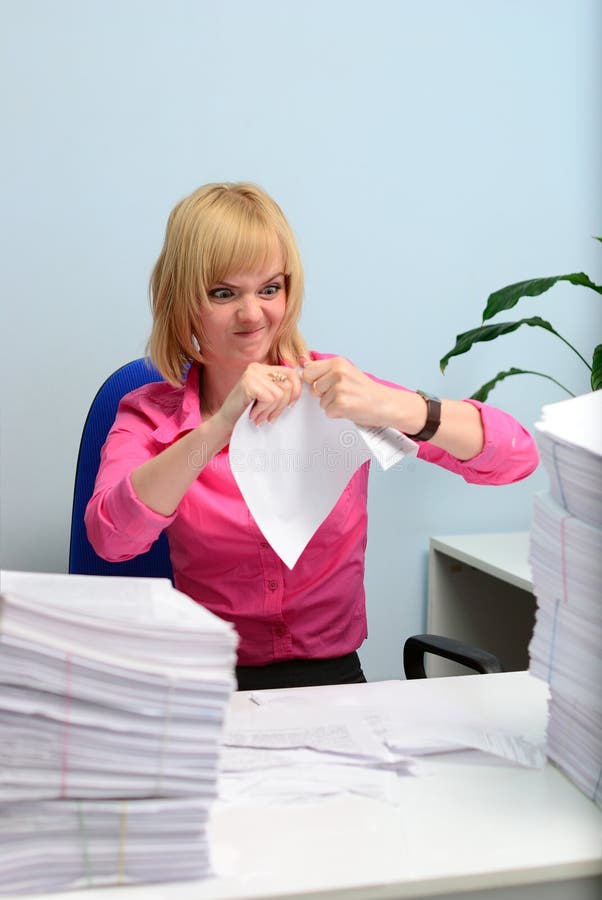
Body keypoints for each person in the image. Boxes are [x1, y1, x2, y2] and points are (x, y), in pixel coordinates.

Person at [85, 182, 539, 690]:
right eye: (223, 293)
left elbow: (514, 457)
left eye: (269, 289)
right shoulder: (149, 417)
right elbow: (111, 537)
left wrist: (392, 406)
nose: (253, 314)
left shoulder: (335, 391)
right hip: (210, 684)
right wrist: (218, 426)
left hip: (333, 680)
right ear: (184, 301)